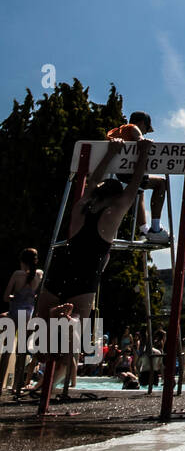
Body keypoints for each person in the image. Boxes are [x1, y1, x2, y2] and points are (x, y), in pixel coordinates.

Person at [37, 138, 153, 399]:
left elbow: (91, 181)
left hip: (60, 268)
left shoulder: (82, 205)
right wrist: (143, 154)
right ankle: (69, 322)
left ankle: (38, 380)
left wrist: (111, 151)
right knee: (71, 347)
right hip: (86, 275)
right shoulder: (113, 213)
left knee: (42, 338)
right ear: (113, 197)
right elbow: (133, 188)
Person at [106, 112, 170, 243]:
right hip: (128, 178)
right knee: (161, 183)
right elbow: (141, 141)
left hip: (115, 179)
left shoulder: (115, 132)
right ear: (141, 124)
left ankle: (143, 228)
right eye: (146, 129)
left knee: (139, 191)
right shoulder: (132, 128)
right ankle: (156, 229)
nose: (146, 133)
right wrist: (143, 141)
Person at [3, 248, 42, 397]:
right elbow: (37, 296)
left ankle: (0, 384)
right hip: (28, 315)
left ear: (22, 261)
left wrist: (15, 297)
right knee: (22, 352)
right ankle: (17, 387)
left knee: (7, 351)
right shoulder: (39, 275)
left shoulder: (17, 274)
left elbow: (6, 297)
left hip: (15, 313)